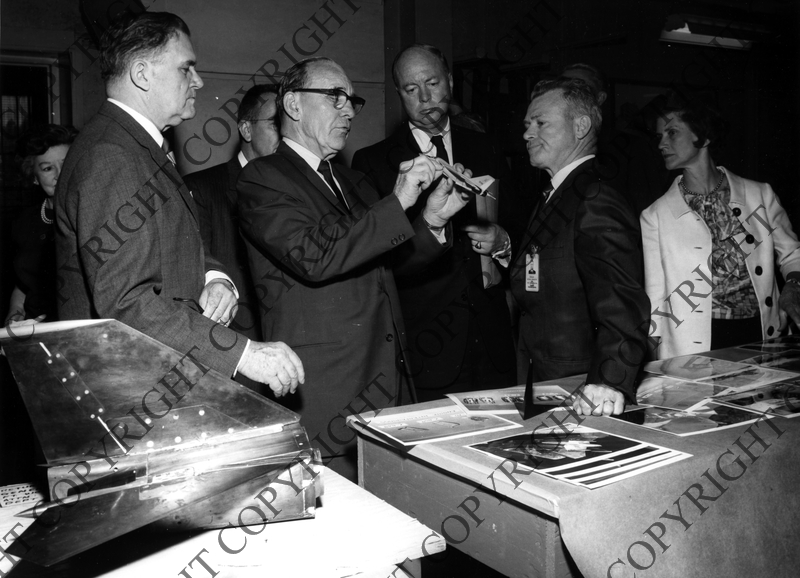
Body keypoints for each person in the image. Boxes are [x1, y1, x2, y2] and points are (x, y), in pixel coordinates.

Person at [237, 56, 470, 478]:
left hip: (389, 387)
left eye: (352, 101)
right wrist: (398, 201)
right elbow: (315, 257)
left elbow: (387, 267)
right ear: (292, 105)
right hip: (328, 396)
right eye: (335, 97)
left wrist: (432, 220)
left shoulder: (353, 181)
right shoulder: (263, 178)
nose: (348, 110)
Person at [55, 12, 303, 396]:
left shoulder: (134, 145)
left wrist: (213, 277)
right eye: (186, 68)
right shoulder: (112, 155)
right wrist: (242, 354)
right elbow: (127, 304)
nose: (198, 81)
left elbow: (168, 240)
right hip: (132, 392)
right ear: (142, 74)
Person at [352, 44, 516, 401]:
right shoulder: (373, 162)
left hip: (494, 344)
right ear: (399, 94)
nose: (425, 98)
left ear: (450, 82)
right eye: (411, 89)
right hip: (428, 349)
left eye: (432, 83)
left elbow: (519, 223)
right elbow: (377, 263)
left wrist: (503, 242)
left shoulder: (486, 146)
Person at [511, 78, 650, 416]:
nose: (528, 133)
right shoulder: (556, 193)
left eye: (541, 123)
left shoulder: (595, 197)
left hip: (583, 391)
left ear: (581, 126)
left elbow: (621, 303)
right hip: (546, 382)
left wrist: (609, 381)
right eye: (527, 125)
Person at [641, 97, 800, 358]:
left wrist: (793, 285)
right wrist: (654, 362)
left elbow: (792, 255)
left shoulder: (760, 195)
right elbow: (656, 298)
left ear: (704, 137)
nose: (661, 144)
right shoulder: (655, 216)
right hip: (694, 346)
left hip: (762, 333)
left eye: (672, 133)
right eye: (659, 136)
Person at [183, 85, 280, 349]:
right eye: (275, 124)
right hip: (231, 347)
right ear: (246, 130)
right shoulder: (201, 188)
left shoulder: (301, 190)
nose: (286, 134)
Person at [560, 63, 669, 215]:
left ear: (600, 98)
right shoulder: (552, 143)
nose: (569, 93)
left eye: (580, 87)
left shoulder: (630, 147)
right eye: (563, 86)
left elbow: (647, 208)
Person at [5, 125, 76, 326]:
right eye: (47, 168)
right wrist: (14, 314)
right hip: (32, 329)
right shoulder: (23, 223)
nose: (60, 174)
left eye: (67, 163)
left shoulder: (90, 216)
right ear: (34, 177)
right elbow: (23, 283)